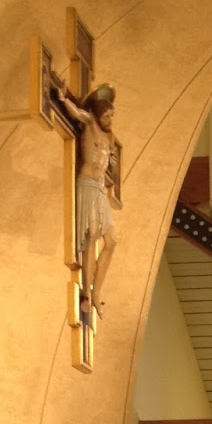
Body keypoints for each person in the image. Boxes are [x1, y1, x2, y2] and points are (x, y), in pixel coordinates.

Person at [63, 82, 119, 317]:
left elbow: (111, 167)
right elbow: (75, 113)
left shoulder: (109, 139)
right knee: (92, 235)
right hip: (86, 184)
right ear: (98, 115)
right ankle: (86, 293)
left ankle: (97, 292)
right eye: (106, 116)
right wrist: (63, 97)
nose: (110, 119)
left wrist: (112, 165)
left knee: (112, 241)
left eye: (112, 115)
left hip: (99, 188)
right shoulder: (89, 124)